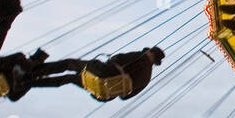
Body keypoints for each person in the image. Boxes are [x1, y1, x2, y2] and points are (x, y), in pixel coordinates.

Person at [28, 47, 165, 102]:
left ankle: (33, 72)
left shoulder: (140, 57)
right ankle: (33, 83)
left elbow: (117, 58)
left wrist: (111, 63)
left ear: (151, 53)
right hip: (104, 92)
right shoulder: (147, 79)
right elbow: (125, 97)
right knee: (69, 79)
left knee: (69, 64)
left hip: (102, 73)